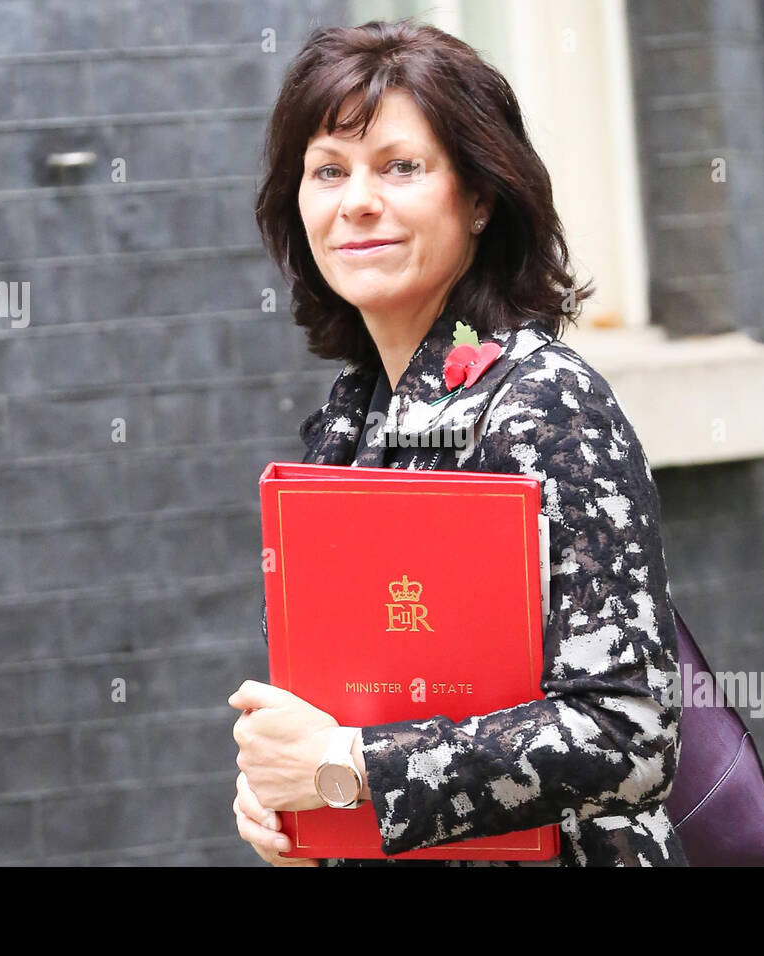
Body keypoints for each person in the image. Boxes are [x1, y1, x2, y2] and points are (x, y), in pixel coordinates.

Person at [230, 17, 687, 867]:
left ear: (479, 196)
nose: (357, 199)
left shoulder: (548, 402)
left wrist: (351, 770)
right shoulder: (345, 420)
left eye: (400, 167)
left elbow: (632, 735)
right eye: (328, 171)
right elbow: (345, 706)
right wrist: (281, 797)